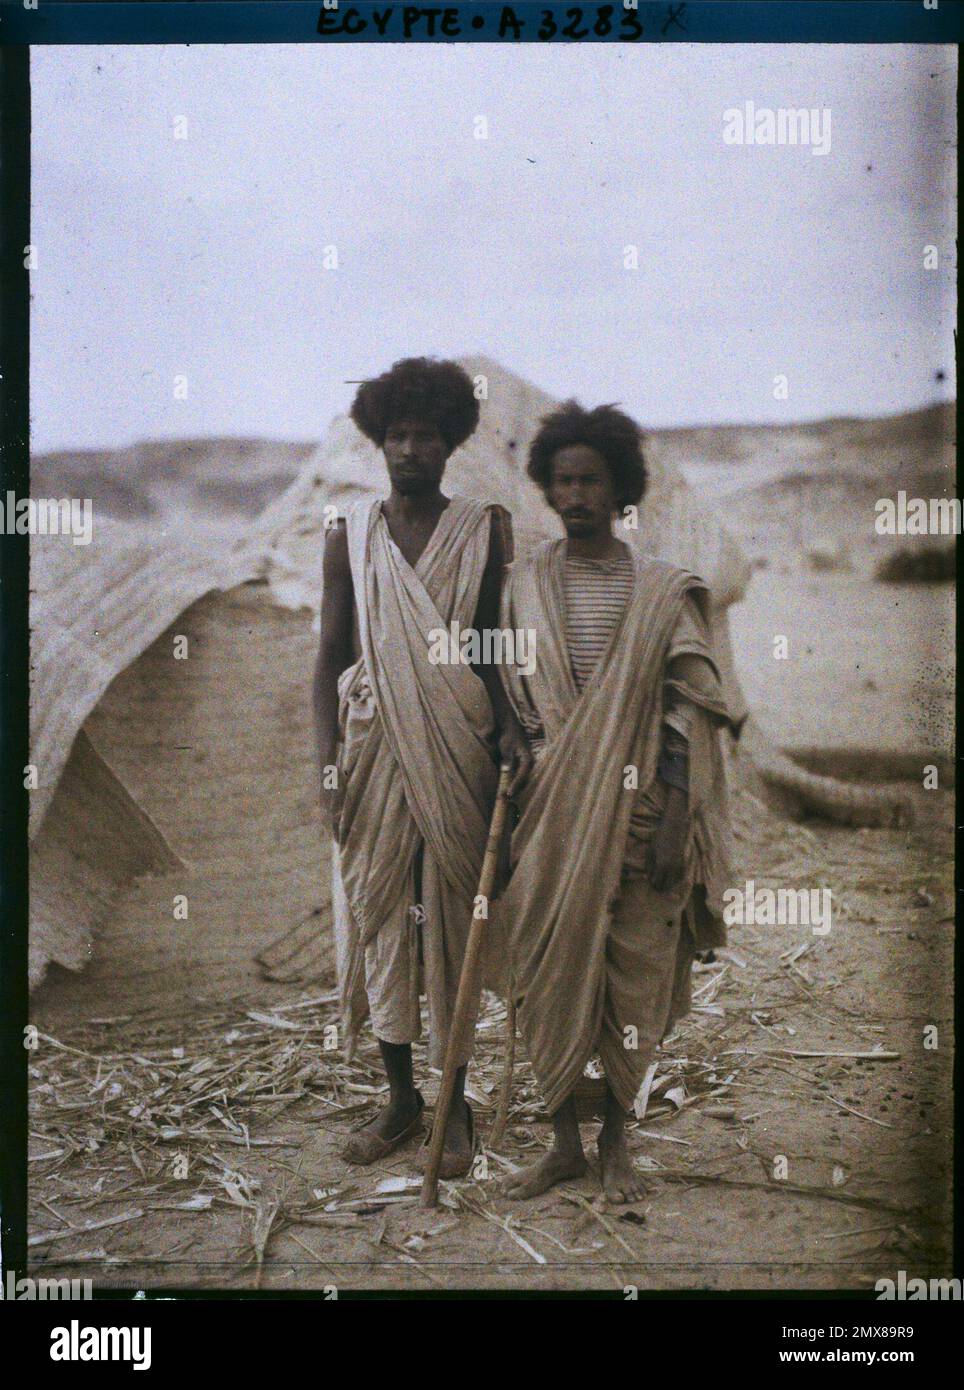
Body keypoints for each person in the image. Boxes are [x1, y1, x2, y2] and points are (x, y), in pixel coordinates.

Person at [498, 400, 733, 1202]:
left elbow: (689, 708)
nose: (576, 495)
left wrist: (676, 819)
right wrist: (512, 740)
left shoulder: (660, 590)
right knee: (549, 971)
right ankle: (564, 1144)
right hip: (550, 813)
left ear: (620, 487)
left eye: (591, 480)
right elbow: (506, 687)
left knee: (634, 976)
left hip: (641, 813)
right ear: (547, 486)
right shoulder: (523, 584)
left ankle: (618, 1144)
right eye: (563, 480)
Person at [313, 356, 531, 1177]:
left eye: (427, 435)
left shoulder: (484, 530)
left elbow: (494, 644)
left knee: (451, 920)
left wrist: (509, 725)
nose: (410, 449)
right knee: (378, 916)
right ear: (378, 439)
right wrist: (325, 762)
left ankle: (454, 1104)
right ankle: (401, 1100)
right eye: (398, 434)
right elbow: (330, 654)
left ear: (451, 443)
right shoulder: (348, 533)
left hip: (458, 742)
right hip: (372, 750)